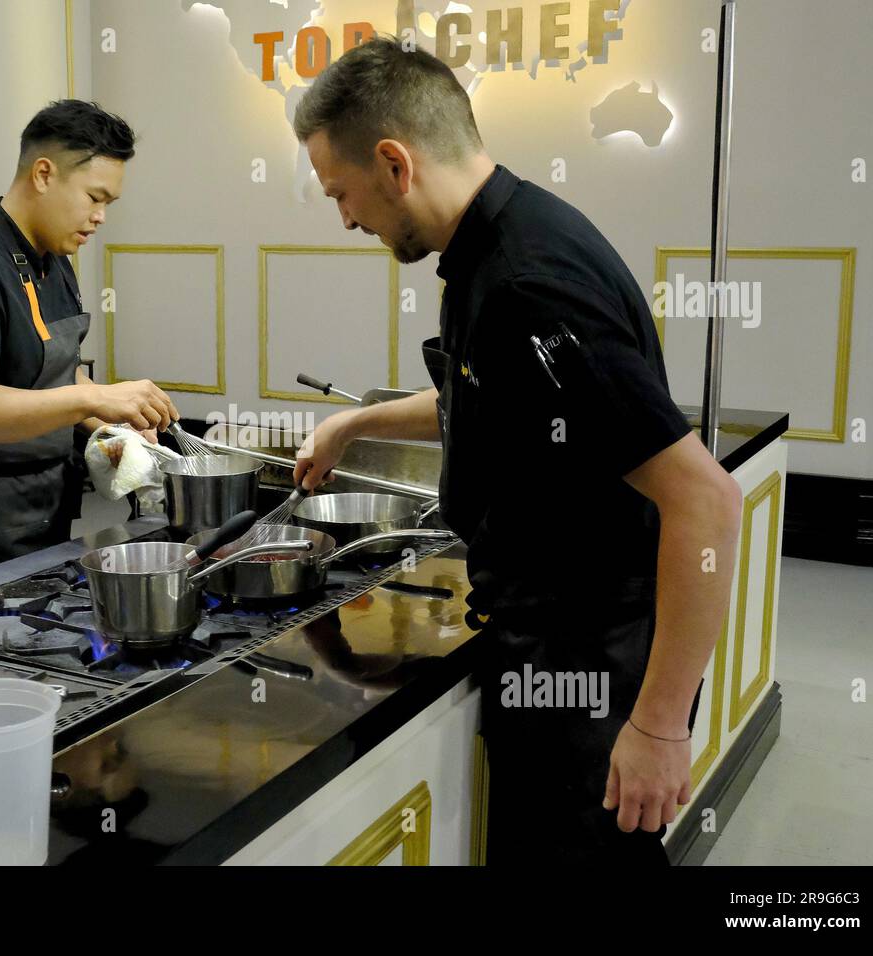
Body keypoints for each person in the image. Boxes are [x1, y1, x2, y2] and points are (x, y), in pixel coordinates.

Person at [291, 38, 743, 864]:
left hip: (587, 664)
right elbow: (496, 403)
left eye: (342, 193)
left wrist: (658, 725)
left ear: (395, 163)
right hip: (555, 642)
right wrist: (352, 424)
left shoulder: (528, 285)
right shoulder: (493, 250)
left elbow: (706, 501)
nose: (346, 217)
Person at [0, 100, 178, 589]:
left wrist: (114, 421)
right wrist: (93, 397)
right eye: (94, 197)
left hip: (44, 502)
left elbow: (53, 370)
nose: (100, 218)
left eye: (108, 205)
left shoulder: (53, 260)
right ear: (44, 174)